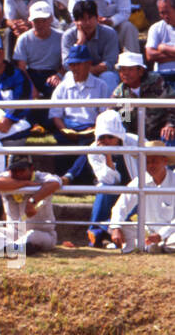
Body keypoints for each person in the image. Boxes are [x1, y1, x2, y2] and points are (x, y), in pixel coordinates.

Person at [49, 44, 111, 181]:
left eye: (78, 64)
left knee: (91, 147)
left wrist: (95, 129)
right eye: (72, 65)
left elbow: (107, 114)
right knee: (62, 149)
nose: (74, 68)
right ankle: (66, 177)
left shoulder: (103, 86)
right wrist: (64, 130)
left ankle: (69, 177)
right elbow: (55, 114)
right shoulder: (62, 87)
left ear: (88, 64)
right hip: (69, 127)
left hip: (93, 129)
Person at [82, 108, 139, 245]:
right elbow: (109, 180)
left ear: (119, 136)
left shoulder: (136, 141)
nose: (106, 141)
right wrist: (107, 155)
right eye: (102, 137)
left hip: (136, 190)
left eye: (110, 137)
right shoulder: (94, 150)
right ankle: (98, 233)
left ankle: (98, 231)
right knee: (104, 189)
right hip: (113, 191)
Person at [109, 143, 175, 252]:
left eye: (154, 161)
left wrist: (161, 235)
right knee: (116, 225)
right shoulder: (140, 181)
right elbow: (121, 205)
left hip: (171, 231)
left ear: (165, 161)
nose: (150, 165)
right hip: (146, 231)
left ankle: (152, 246)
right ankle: (152, 246)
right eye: (147, 162)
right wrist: (116, 228)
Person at [0, 156, 61, 256]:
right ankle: (15, 247)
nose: (18, 174)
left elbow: (56, 183)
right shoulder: (6, 177)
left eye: (21, 170)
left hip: (41, 233)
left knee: (32, 235)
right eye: (14, 170)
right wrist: (25, 183)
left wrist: (32, 202)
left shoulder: (40, 177)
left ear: (31, 168)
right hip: (14, 233)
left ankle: (9, 247)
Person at [114, 50, 175, 142]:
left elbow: (172, 103)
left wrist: (170, 124)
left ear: (141, 71)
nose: (125, 73)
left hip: (160, 131)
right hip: (135, 137)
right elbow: (121, 119)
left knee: (170, 135)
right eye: (122, 70)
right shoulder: (120, 93)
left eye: (130, 69)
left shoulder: (156, 83)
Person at [13, 0, 63, 97]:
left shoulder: (61, 37)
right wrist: (31, 87)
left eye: (43, 20)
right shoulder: (23, 39)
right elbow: (21, 67)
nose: (40, 25)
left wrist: (58, 75)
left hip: (53, 74)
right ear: (31, 21)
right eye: (36, 21)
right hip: (31, 74)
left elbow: (66, 62)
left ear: (51, 19)